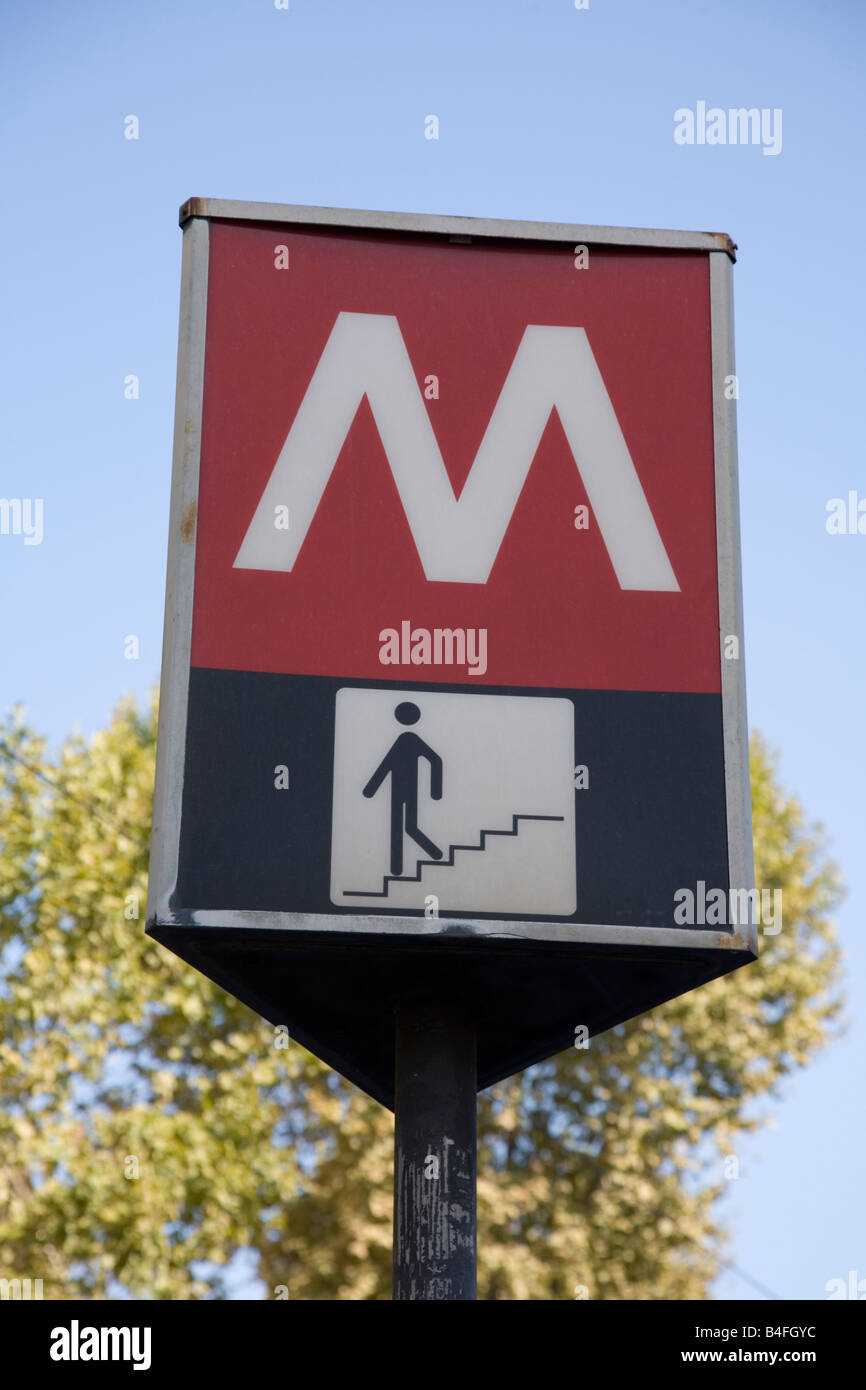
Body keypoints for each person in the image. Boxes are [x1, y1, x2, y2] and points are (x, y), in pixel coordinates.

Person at [362, 702, 443, 876]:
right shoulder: (407, 740)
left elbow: (435, 761)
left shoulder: (409, 740)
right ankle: (398, 868)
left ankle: (434, 854)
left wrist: (435, 791)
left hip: (406, 789)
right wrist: (371, 789)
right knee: (399, 827)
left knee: (409, 827)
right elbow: (387, 765)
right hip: (398, 790)